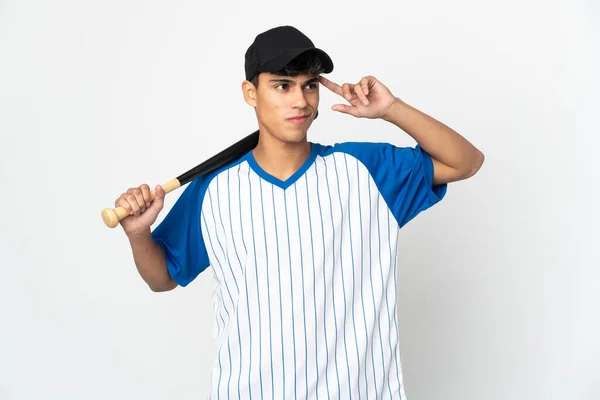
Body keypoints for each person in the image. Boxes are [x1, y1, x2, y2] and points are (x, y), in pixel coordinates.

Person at [114, 25, 484, 399]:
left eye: (309, 85)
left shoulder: (365, 170)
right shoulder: (212, 189)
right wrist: (138, 234)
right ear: (250, 93)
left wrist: (391, 109)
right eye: (282, 85)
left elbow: (465, 162)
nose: (301, 101)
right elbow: (163, 277)